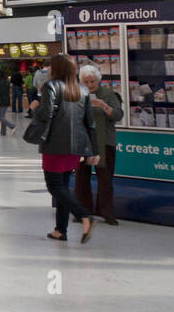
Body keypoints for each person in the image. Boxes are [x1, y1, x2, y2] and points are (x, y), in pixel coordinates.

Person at [33, 54, 98, 243]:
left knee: (54, 186)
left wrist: (35, 107)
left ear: (57, 69)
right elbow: (90, 123)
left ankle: (85, 215)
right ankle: (60, 230)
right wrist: (94, 150)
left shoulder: (51, 86)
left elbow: (46, 113)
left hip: (54, 144)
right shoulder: (83, 90)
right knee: (63, 186)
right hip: (75, 146)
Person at [75, 63, 124, 225]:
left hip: (105, 142)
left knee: (105, 179)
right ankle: (82, 212)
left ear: (98, 81)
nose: (89, 85)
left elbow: (118, 115)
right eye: (86, 82)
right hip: (83, 142)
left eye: (92, 82)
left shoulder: (109, 94)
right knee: (81, 178)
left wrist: (104, 106)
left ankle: (107, 212)